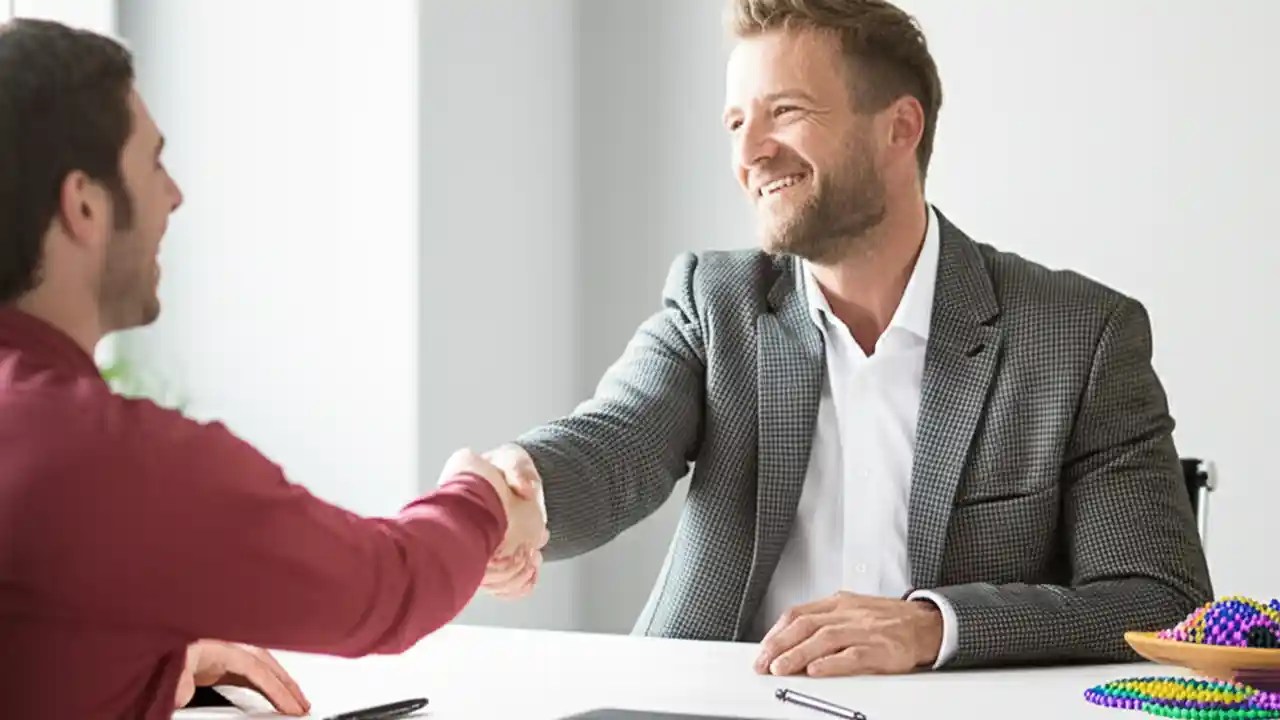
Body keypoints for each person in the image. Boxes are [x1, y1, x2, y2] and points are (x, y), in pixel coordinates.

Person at [476, 0, 1213, 677]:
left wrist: (934, 628)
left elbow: (1158, 601)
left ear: (899, 127)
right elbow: (614, 442)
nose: (751, 152)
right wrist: (516, 495)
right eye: (736, 123)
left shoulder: (1078, 337)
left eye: (784, 111)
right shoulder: (717, 304)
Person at [0, 18, 546, 719]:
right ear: (84, 205)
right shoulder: (110, 461)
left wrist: (152, 662)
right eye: (155, 163)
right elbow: (388, 587)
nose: (174, 196)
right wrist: (479, 495)